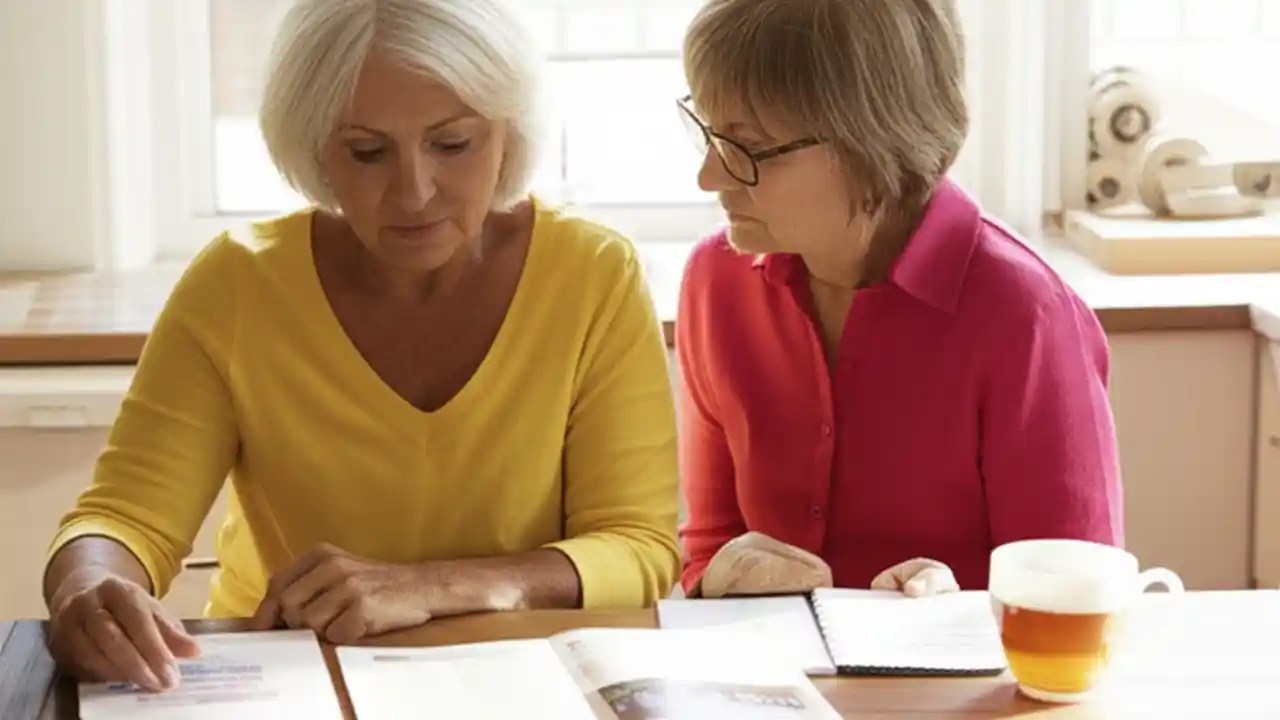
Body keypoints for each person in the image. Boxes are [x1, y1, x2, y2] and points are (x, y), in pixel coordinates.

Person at [43, 0, 679, 693]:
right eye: (368, 151)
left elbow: (638, 547)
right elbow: (125, 519)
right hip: (290, 680)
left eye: (453, 144)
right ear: (315, 147)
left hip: (525, 683)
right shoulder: (237, 285)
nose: (414, 191)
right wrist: (87, 584)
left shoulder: (591, 274)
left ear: (508, 133)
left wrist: (433, 587)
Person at [674, 0, 1123, 598]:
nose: (709, 176)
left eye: (746, 146)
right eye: (707, 131)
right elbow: (707, 549)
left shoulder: (1025, 315)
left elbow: (1073, 602)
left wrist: (955, 612)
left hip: (956, 690)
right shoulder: (717, 283)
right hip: (772, 685)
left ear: (869, 143)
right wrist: (719, 582)